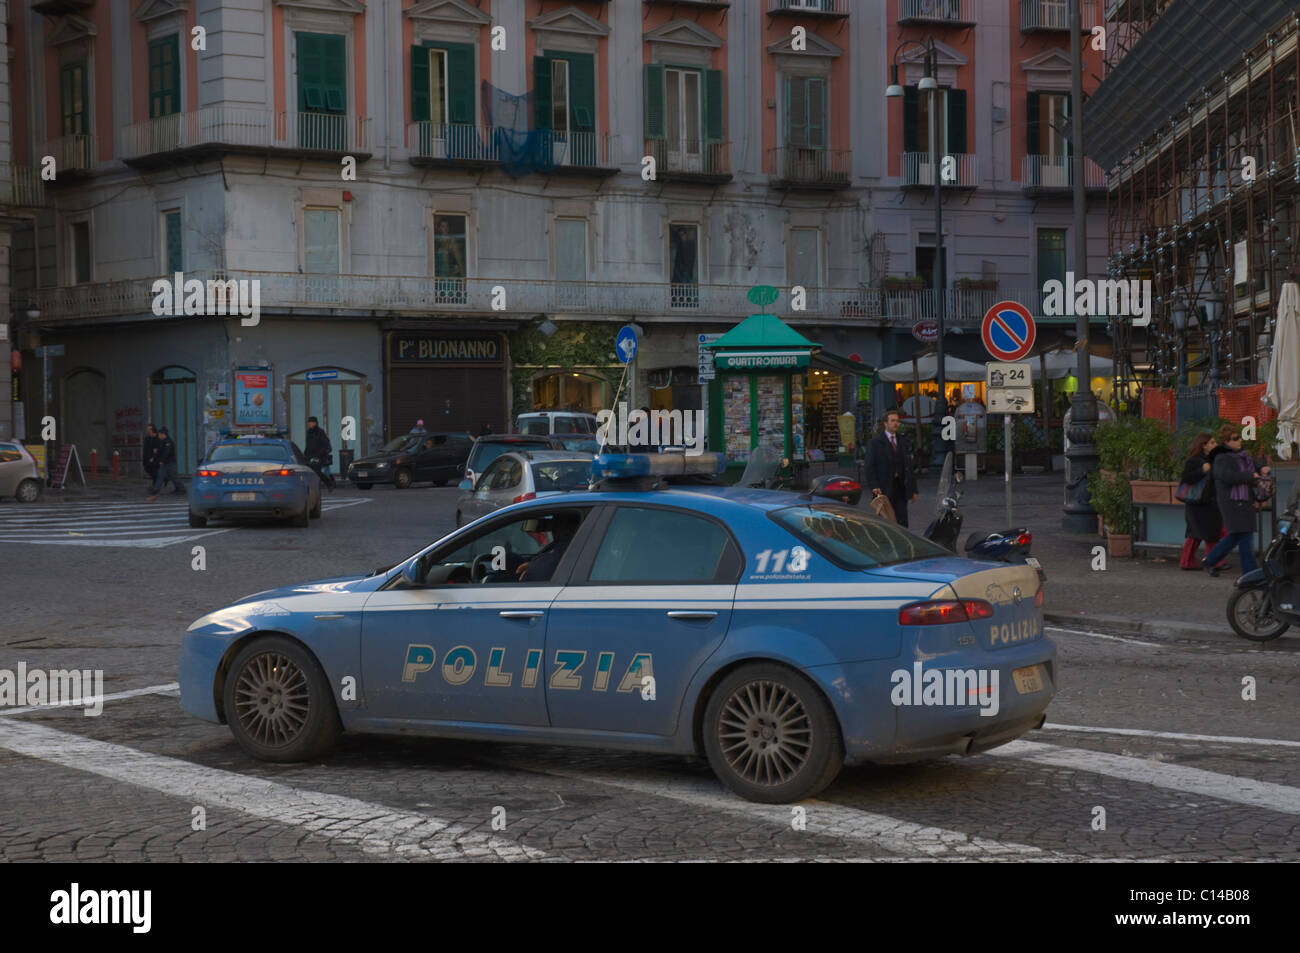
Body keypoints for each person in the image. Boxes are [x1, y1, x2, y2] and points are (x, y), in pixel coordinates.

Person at [1202, 425, 1270, 577]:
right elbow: (1227, 477)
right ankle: (1250, 573)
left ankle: (1210, 560)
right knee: (1244, 535)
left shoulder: (1242, 454)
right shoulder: (1221, 458)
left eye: (1239, 437)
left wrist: (1263, 467)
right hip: (1232, 501)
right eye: (1235, 438)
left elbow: (1255, 462)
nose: (1239, 440)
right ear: (1226, 442)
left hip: (1244, 499)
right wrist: (1249, 476)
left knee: (1237, 535)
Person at [1179, 432, 1225, 570]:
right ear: (1203, 445)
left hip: (1208, 503)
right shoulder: (1195, 461)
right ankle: (1213, 562)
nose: (1215, 445)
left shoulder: (1213, 459)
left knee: (1199, 533)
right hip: (1199, 504)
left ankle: (1188, 562)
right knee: (1208, 533)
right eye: (1212, 442)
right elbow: (1186, 478)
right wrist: (1202, 470)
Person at [865, 410, 919, 526]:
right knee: (886, 520)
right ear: (886, 423)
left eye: (897, 421)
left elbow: (909, 466)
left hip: (901, 487)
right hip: (884, 488)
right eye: (893, 421)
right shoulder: (875, 443)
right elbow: (869, 466)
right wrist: (874, 485)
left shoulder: (903, 441)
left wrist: (914, 489)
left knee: (902, 520)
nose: (896, 424)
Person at [515, 512, 582, 582]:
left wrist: (534, 566)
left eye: (555, 523)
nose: (552, 528)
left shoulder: (538, 568)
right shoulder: (581, 548)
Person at [147, 426, 185, 500]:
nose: (159, 436)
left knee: (173, 476)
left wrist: (162, 461)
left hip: (170, 463)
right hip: (165, 463)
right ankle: (155, 490)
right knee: (160, 476)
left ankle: (181, 489)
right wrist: (154, 458)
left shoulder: (168, 442)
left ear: (164, 434)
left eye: (160, 434)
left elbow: (166, 453)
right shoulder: (163, 442)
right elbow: (159, 452)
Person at [304, 416, 336, 491]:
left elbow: (325, 444)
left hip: (318, 456)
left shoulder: (320, 432)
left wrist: (320, 454)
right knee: (310, 471)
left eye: (311, 422)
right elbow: (308, 444)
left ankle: (329, 484)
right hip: (310, 455)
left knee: (317, 471)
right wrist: (306, 454)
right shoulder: (308, 432)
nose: (310, 424)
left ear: (315, 423)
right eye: (309, 422)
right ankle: (325, 484)